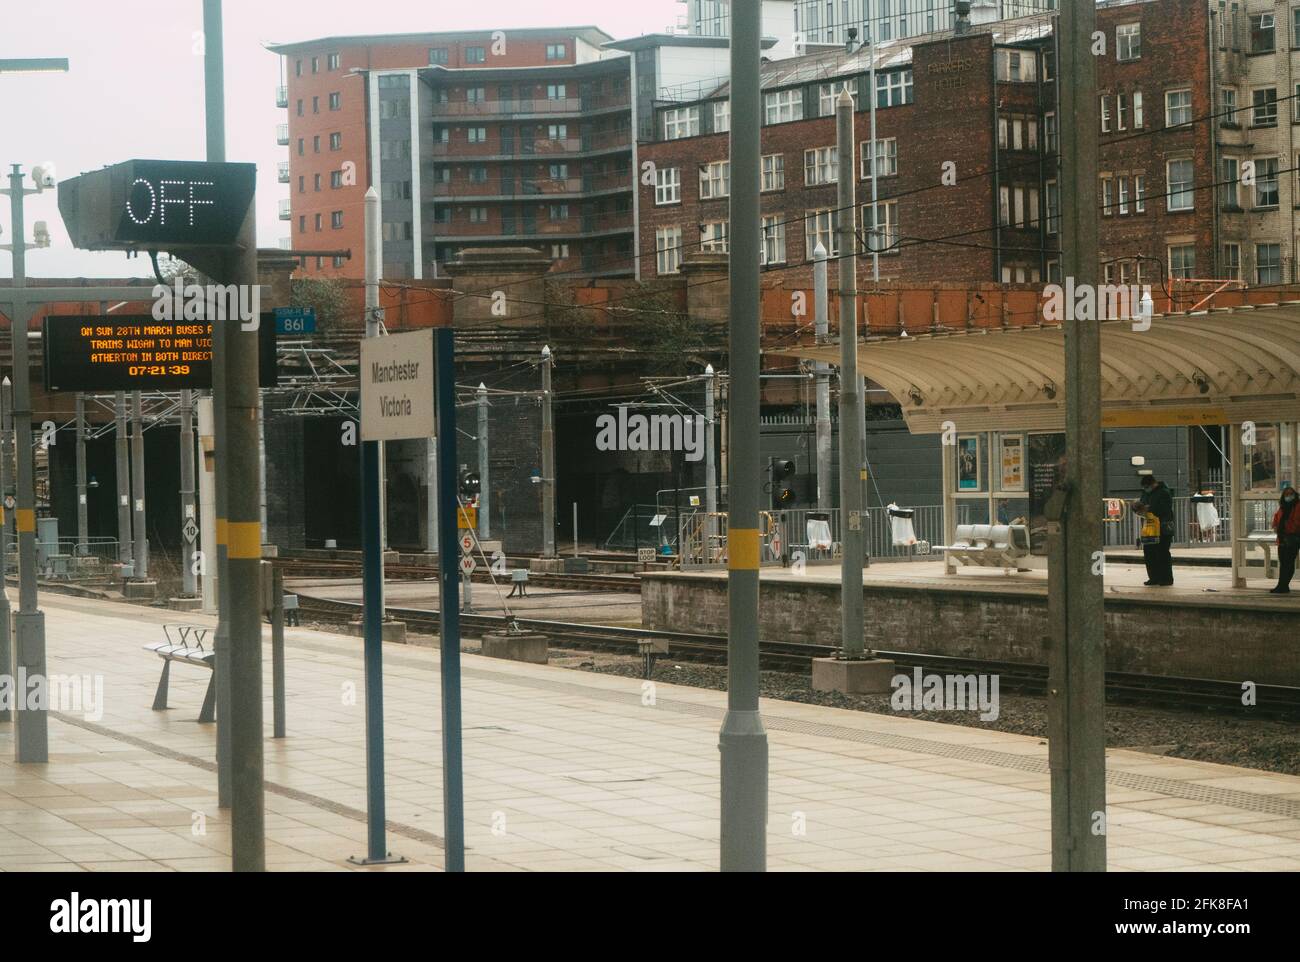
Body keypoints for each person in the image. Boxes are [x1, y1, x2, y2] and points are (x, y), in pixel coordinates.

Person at [1132, 474, 1175, 586]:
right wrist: (1137, 507)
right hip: (1149, 527)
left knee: (1162, 552)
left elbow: (1164, 508)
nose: (1146, 489)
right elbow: (1142, 504)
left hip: (1163, 527)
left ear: (1153, 484)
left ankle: (1166, 579)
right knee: (1149, 553)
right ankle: (1153, 577)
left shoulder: (1164, 492)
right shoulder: (1146, 493)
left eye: (1147, 486)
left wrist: (1149, 508)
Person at [1270, 485, 1300, 594]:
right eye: (1286, 494)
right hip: (1282, 538)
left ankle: (1282, 585)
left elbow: (1296, 523)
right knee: (1284, 563)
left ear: (1295, 495)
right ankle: (1283, 585)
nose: (1289, 496)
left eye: (1291, 494)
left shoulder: (1297, 506)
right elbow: (1276, 518)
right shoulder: (1282, 507)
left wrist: (1287, 528)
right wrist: (1275, 526)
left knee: (1288, 562)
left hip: (1292, 538)